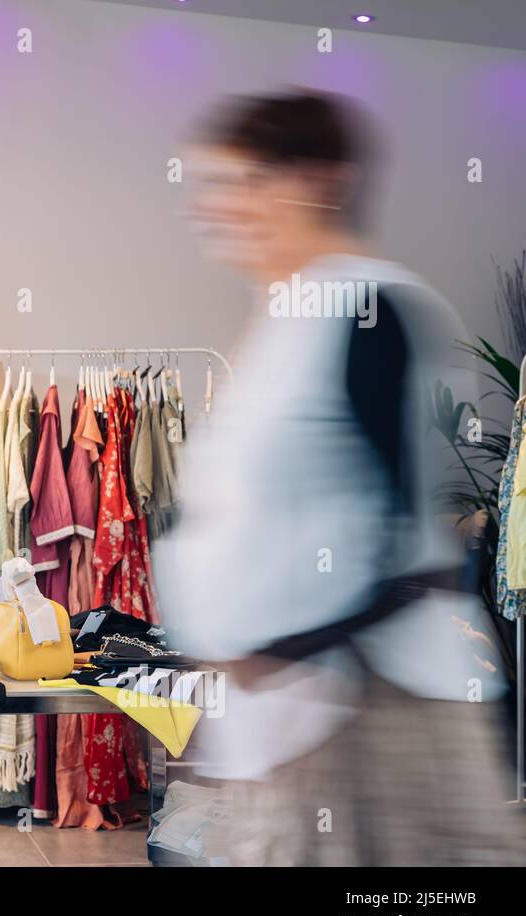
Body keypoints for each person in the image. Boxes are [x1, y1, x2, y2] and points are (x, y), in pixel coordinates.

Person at [155, 89, 522, 864]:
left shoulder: (367, 307)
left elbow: (392, 538)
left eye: (247, 181)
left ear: (322, 179)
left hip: (375, 702)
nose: (223, 206)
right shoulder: (279, 322)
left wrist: (283, 647)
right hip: (289, 711)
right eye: (217, 185)